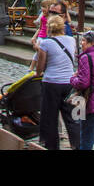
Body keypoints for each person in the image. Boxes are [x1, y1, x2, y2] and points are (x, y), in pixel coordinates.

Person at [33, 13, 81, 150]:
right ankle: (77, 145)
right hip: (70, 83)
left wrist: (38, 72)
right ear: (63, 27)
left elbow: (40, 67)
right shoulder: (72, 40)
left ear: (49, 27)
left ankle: (52, 146)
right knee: (73, 117)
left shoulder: (45, 43)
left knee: (50, 118)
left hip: (51, 83)